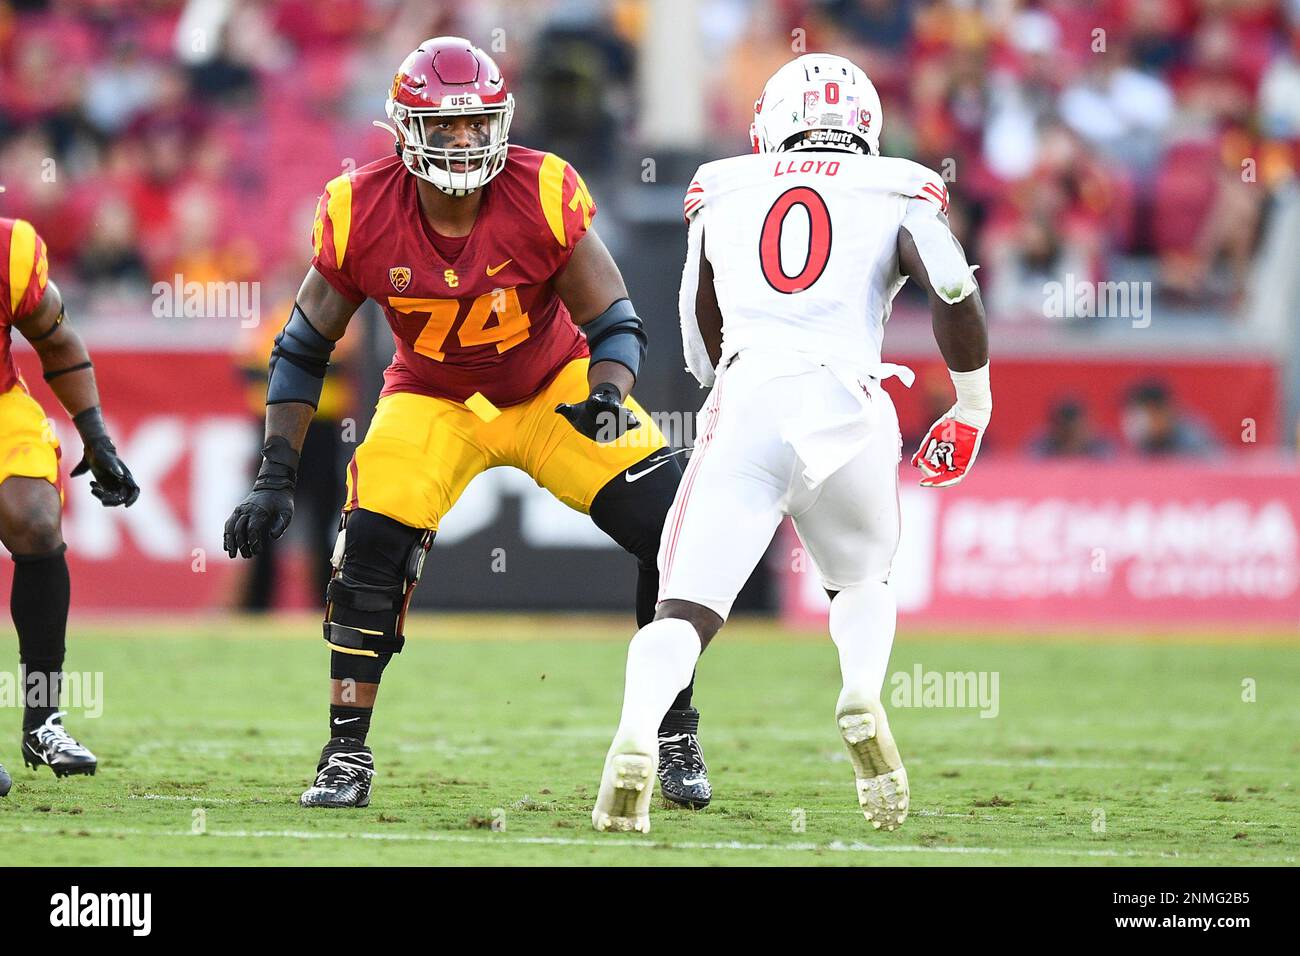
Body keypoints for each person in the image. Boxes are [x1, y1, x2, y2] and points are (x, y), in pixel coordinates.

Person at [223, 37, 712, 810]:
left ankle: (673, 726)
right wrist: (275, 475)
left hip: (553, 387)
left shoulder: (542, 190)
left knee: (677, 522)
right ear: (405, 128)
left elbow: (613, 317)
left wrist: (610, 394)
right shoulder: (358, 208)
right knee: (371, 544)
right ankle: (345, 752)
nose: (464, 141)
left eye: (477, 124)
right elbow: (303, 344)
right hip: (433, 397)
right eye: (446, 127)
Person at [593, 53, 992, 834]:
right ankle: (861, 691)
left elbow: (697, 323)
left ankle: (636, 735)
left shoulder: (725, 184)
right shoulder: (899, 185)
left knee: (680, 613)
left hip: (753, 395)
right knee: (863, 583)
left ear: (771, 120)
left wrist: (725, 392)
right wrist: (971, 407)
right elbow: (952, 287)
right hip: (852, 402)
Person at [0, 217, 140, 797]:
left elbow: (55, 339)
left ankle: (42, 720)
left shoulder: (8, 248)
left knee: (35, 520)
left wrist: (98, 438)